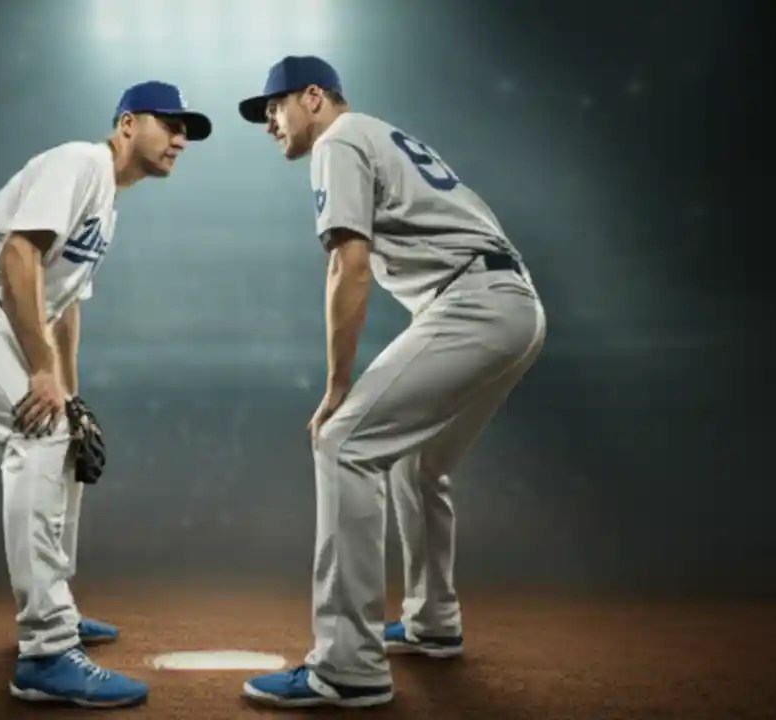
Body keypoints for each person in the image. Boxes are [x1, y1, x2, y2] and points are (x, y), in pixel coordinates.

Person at [236, 56, 548, 708]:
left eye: (275, 107)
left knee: (344, 441)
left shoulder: (339, 139)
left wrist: (337, 386)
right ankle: (434, 622)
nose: (270, 123)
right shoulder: (381, 134)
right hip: (513, 304)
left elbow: (347, 267)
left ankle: (347, 666)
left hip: (474, 303)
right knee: (417, 465)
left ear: (314, 97)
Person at [0, 80, 211, 709]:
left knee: (62, 434)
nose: (181, 138)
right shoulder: (80, 161)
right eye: (170, 123)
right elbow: (18, 256)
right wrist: (41, 370)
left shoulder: (108, 202)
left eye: (187, 131)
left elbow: (63, 308)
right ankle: (45, 650)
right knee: (38, 434)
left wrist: (66, 388)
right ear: (127, 123)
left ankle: (57, 613)